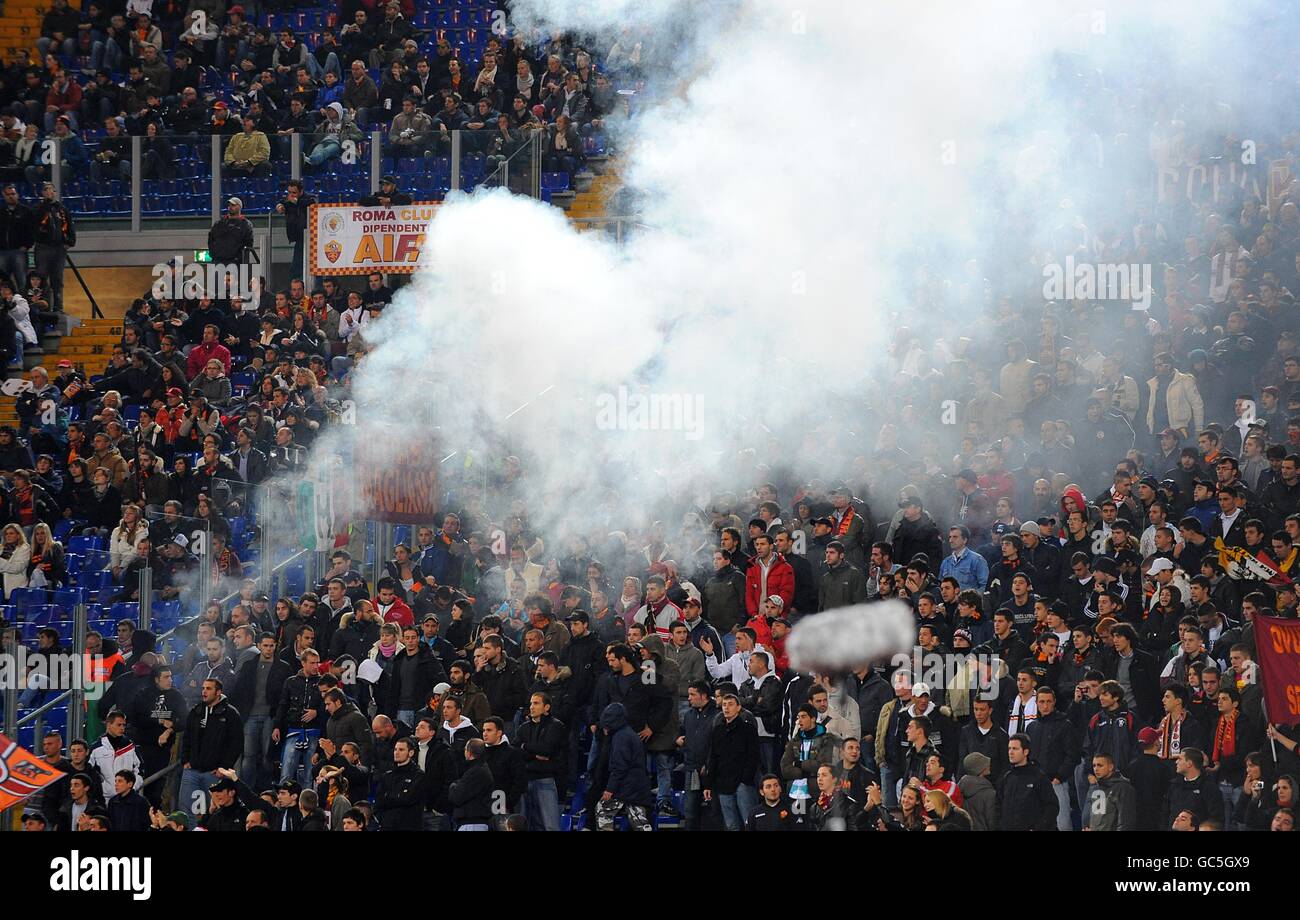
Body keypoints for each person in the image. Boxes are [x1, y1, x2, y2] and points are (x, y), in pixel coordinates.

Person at [31, 182, 73, 312]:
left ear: (55, 192)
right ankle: (42, 305)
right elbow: (33, 225)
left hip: (59, 248)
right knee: (41, 277)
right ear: (42, 193)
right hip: (43, 247)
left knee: (57, 279)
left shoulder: (62, 209)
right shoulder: (38, 208)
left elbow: (70, 226)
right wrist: (45, 205)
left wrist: (69, 242)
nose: (49, 192)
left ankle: (58, 306)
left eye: (51, 190)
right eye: (46, 190)